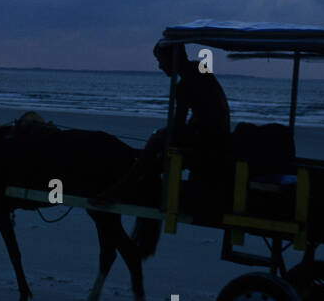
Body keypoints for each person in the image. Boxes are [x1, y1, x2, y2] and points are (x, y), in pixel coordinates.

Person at [91, 41, 230, 208]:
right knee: (158, 142)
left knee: (157, 141)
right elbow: (205, 109)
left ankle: (121, 189)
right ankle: (138, 180)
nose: (160, 66)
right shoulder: (198, 69)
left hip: (209, 139)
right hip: (215, 134)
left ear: (172, 59)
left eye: (161, 61)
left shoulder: (185, 84)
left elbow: (179, 125)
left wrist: (160, 135)